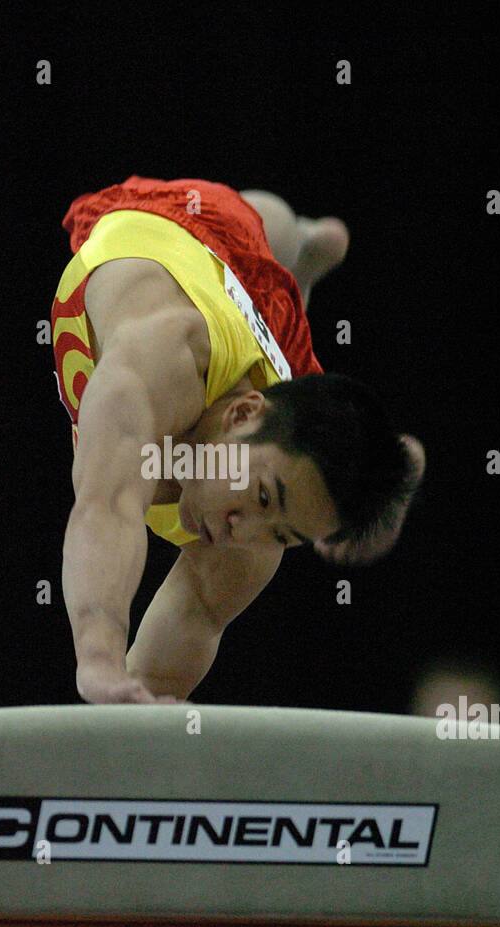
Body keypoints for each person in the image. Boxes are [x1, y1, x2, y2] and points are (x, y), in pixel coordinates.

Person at [51, 177, 425, 704]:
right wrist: (98, 658)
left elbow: (151, 689)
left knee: (298, 379)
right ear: (244, 413)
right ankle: (302, 240)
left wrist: (124, 697)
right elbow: (106, 508)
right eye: (264, 498)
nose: (239, 531)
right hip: (191, 227)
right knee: (261, 223)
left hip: (267, 358)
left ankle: (396, 461)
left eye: (283, 536)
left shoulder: (252, 542)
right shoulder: (155, 360)